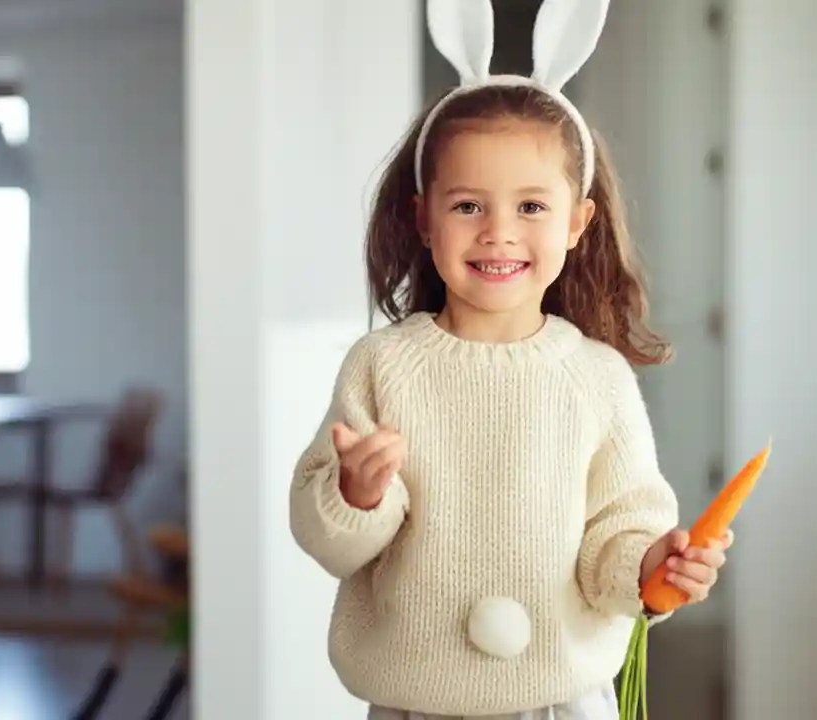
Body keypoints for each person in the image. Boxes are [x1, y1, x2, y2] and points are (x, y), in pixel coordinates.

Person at [289, 0, 732, 717]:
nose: (499, 234)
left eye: (531, 207)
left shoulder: (596, 378)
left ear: (578, 222)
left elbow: (619, 535)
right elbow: (331, 541)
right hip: (415, 705)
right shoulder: (382, 366)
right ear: (423, 216)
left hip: (563, 702)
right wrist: (356, 496)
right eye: (468, 206)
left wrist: (653, 567)